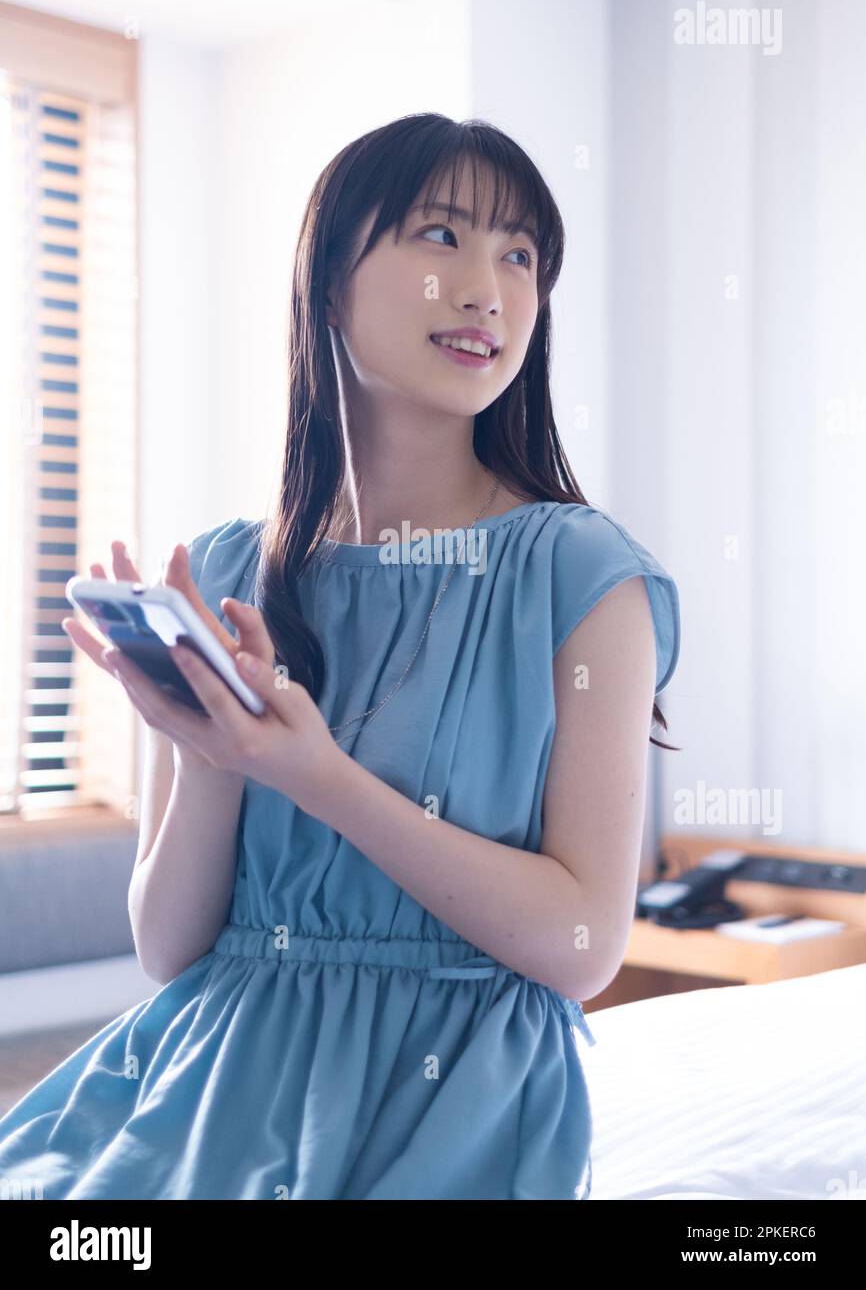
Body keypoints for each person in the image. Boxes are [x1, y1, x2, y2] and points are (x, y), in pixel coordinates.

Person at [0, 113, 680, 1199]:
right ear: (325, 282)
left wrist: (317, 777)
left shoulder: (582, 575)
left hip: (452, 1104)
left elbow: (585, 944)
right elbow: (171, 949)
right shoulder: (227, 567)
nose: (485, 288)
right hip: (212, 1080)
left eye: (519, 255)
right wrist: (214, 751)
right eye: (439, 236)